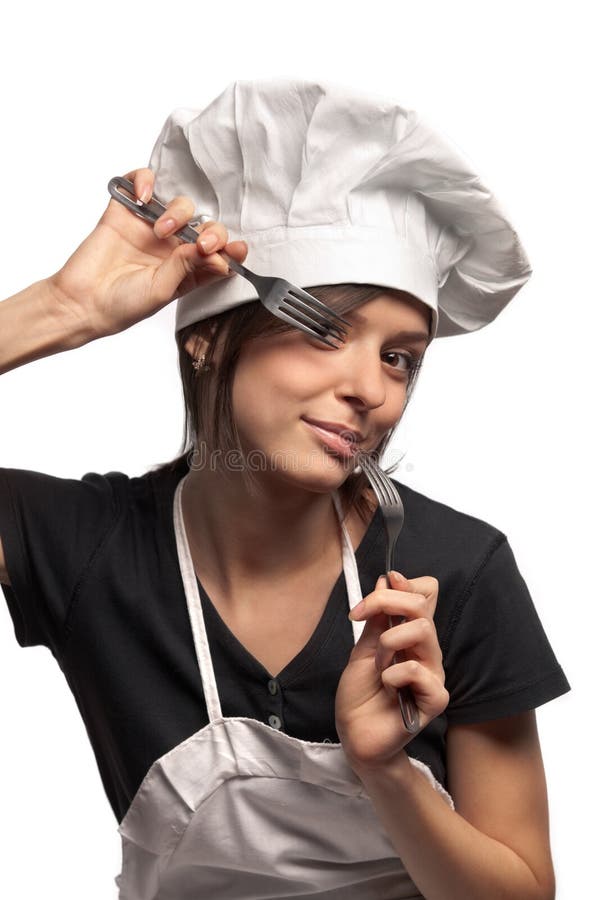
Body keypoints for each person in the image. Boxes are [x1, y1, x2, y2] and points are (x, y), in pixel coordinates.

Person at [0, 79, 570, 900]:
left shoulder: (459, 570)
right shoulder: (86, 547)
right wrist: (63, 308)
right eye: (326, 327)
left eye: (399, 356)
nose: (370, 388)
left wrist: (387, 770)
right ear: (205, 341)